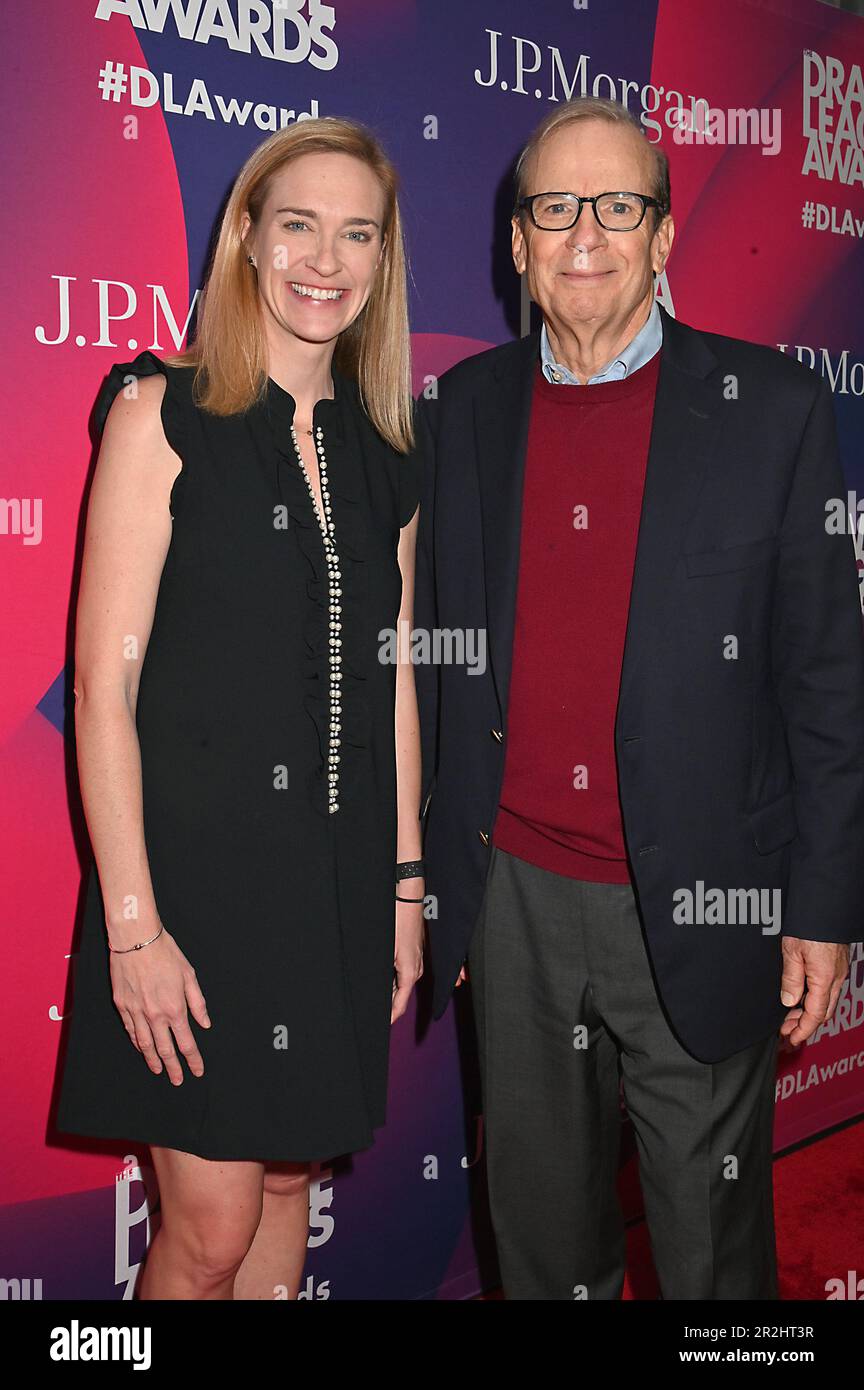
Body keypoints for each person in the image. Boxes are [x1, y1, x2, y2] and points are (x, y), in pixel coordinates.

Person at [414, 96, 864, 1299]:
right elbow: (436, 664)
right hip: (513, 898)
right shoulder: (464, 413)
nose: (586, 236)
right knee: (544, 1242)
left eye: (620, 206)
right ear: (516, 241)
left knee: (713, 1256)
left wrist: (823, 904)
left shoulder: (772, 411)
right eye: (554, 209)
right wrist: (436, 877)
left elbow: (827, 678)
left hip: (706, 892)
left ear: (665, 237)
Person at [55, 117, 426, 1300]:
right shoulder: (158, 415)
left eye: (356, 232)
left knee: (279, 1188)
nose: (327, 258)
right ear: (247, 241)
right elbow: (104, 690)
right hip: (190, 892)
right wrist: (132, 927)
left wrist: (407, 885)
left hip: (338, 886)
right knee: (209, 1225)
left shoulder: (387, 454)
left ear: (382, 259)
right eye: (299, 225)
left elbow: (396, 680)